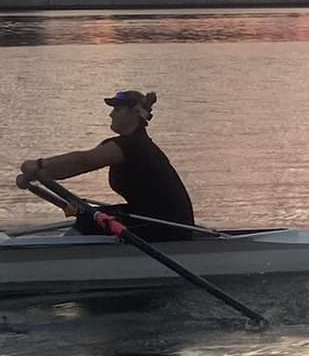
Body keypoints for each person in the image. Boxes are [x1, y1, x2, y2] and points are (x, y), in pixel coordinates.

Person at [17, 89, 197, 242]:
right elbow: (80, 162)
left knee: (89, 221)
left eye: (117, 110)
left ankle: (59, 259)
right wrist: (40, 172)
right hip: (153, 217)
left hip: (170, 226)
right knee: (89, 216)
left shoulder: (133, 146)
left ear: (134, 112)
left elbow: (83, 161)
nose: (111, 114)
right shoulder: (126, 143)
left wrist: (39, 165)